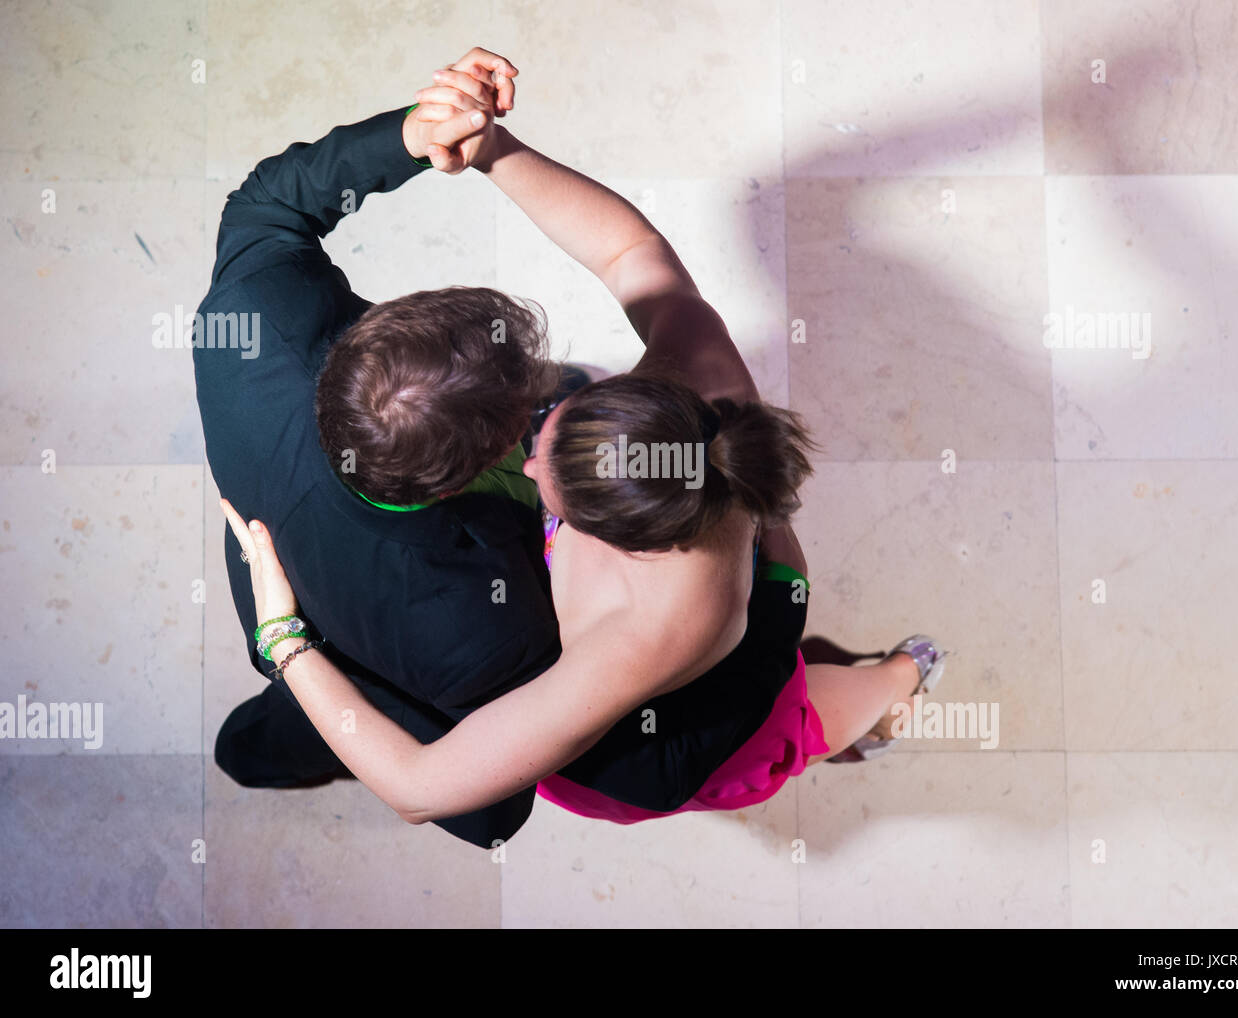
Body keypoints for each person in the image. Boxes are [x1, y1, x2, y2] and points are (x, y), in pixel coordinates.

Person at [217, 54, 950, 829]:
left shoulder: (642, 632)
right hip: (717, 542)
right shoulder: (703, 373)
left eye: (543, 466)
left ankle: (902, 677)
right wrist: (491, 147)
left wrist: (285, 638)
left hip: (692, 724)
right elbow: (628, 252)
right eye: (551, 429)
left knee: (793, 714)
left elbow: (423, 787)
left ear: (621, 540)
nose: (527, 459)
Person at [195, 48, 566, 849]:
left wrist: (412, 133)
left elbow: (266, 207)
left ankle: (272, 734)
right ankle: (294, 725)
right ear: (467, 472)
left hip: (269, 571)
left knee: (281, 721)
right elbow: (488, 810)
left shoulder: (254, 318)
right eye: (520, 411)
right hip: (363, 643)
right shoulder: (485, 630)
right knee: (318, 709)